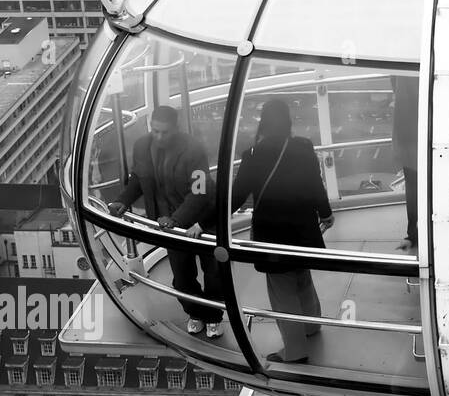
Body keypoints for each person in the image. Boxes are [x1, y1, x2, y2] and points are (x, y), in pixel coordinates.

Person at [231, 99, 334, 363]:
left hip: (273, 234)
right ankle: (311, 326)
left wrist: (210, 219)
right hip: (303, 229)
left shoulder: (253, 154)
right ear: (288, 121)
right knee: (302, 276)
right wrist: (326, 213)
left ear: (263, 123)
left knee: (282, 288)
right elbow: (315, 185)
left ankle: (295, 351)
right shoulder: (303, 147)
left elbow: (237, 196)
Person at [108, 105, 224, 339]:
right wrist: (123, 200)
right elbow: (138, 179)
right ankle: (195, 313)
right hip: (168, 224)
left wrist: (176, 219)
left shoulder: (193, 150)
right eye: (155, 131)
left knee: (213, 273)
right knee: (182, 276)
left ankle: (213, 316)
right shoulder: (142, 146)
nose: (159, 136)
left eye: (165, 132)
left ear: (176, 128)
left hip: (202, 220)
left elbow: (200, 192)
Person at [391, 75, 419, 252]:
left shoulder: (403, 74)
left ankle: (413, 234)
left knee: (414, 189)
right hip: (419, 137)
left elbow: (401, 102)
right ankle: (415, 233)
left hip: (410, 141)